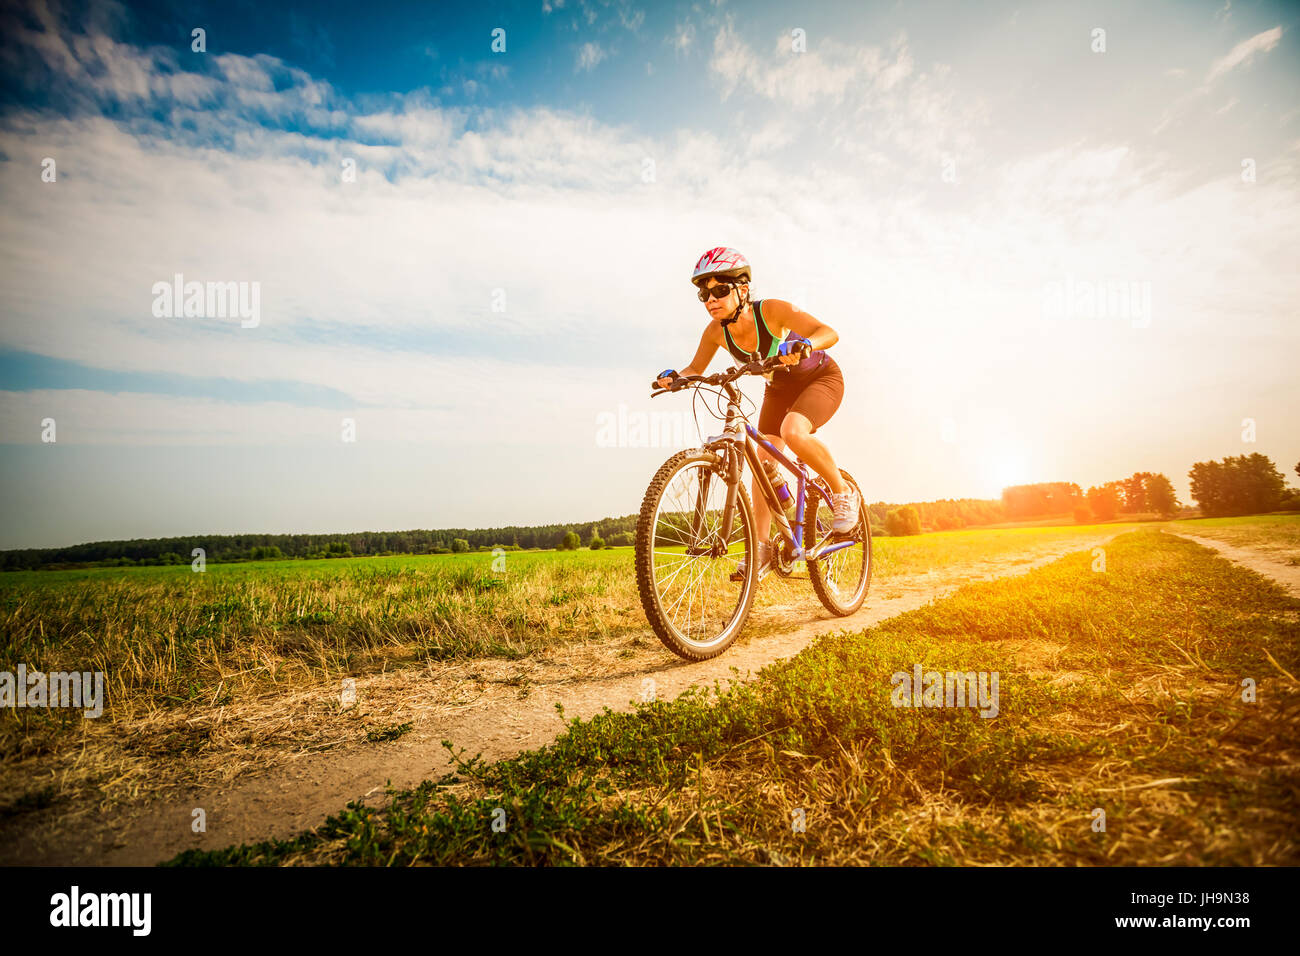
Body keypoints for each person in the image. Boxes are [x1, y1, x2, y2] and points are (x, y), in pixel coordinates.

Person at [655, 246, 859, 580]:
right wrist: (675, 378)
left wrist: (806, 345)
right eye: (703, 294)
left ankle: (842, 493)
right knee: (762, 465)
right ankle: (762, 547)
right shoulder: (715, 332)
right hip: (777, 389)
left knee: (793, 431)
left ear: (743, 289)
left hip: (819, 378)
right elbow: (695, 367)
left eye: (720, 290)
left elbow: (828, 333)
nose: (710, 300)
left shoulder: (773, 311)